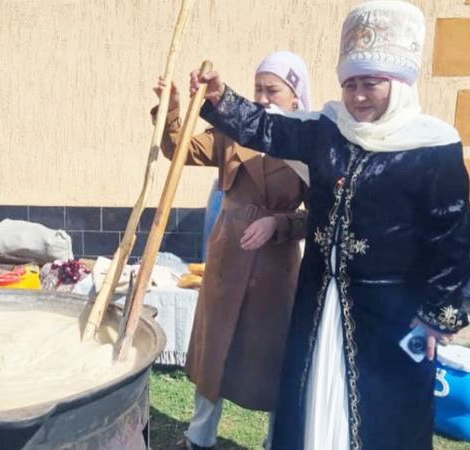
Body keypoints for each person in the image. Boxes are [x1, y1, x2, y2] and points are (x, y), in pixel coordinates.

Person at [191, 1, 470, 449]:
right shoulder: (327, 130)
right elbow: (266, 129)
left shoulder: (433, 146)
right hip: (319, 305)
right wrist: (220, 97)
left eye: (371, 84)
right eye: (350, 85)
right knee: (312, 404)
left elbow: (453, 237)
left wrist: (440, 314)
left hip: (390, 316)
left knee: (383, 415)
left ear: (398, 84)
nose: (358, 97)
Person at [153, 51, 311, 450]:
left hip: (274, 269)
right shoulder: (233, 131)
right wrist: (173, 107)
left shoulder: (308, 143)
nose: (261, 97)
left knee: (271, 356)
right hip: (228, 254)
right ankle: (198, 437)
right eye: (257, 88)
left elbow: (322, 216)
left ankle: (278, 441)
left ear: (295, 96)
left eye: (272, 89)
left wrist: (279, 224)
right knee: (214, 352)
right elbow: (179, 149)